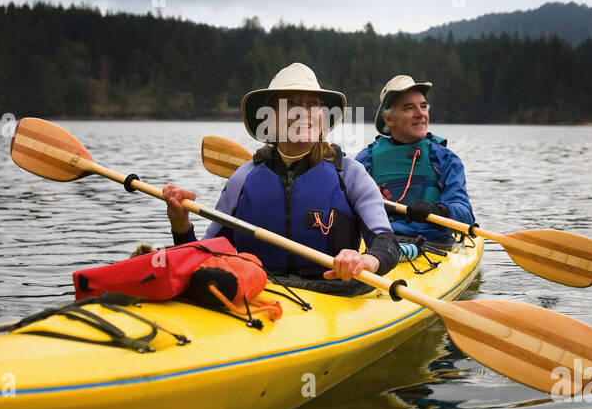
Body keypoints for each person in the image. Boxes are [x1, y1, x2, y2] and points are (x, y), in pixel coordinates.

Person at [163, 63, 400, 283]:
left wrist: (366, 260)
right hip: (262, 294)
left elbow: (386, 244)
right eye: (293, 104)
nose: (305, 113)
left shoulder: (350, 174)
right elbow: (204, 257)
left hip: (335, 294)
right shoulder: (243, 178)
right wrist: (181, 224)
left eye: (313, 104)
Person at [355, 75, 473, 246]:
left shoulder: (444, 159)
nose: (421, 114)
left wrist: (438, 210)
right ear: (389, 119)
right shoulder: (366, 159)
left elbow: (465, 214)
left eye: (424, 106)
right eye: (409, 108)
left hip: (431, 245)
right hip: (379, 245)